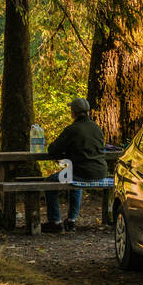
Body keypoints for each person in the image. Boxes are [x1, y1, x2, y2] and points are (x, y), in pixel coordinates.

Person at [41, 97, 109, 232]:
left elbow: (53, 150)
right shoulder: (96, 128)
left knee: (50, 182)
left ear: (73, 113)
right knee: (75, 181)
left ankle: (55, 222)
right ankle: (71, 221)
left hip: (81, 173)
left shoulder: (72, 129)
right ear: (88, 112)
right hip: (101, 172)